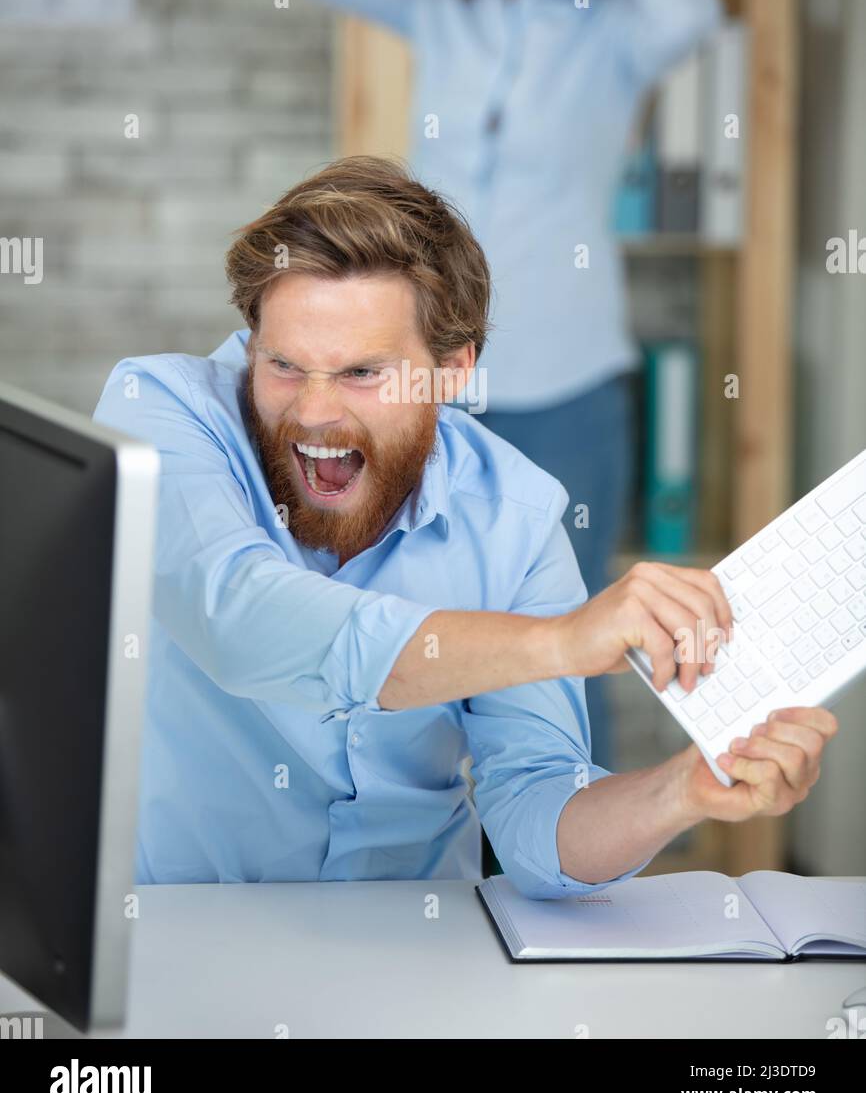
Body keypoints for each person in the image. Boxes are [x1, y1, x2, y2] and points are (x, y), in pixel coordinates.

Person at [93, 157, 836, 894]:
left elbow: (535, 815)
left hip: (415, 953)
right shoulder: (161, 412)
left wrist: (680, 791)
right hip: (176, 937)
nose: (314, 412)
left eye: (362, 373)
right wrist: (559, 642)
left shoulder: (515, 517)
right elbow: (238, 617)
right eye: (284, 365)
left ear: (451, 373)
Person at [252, 0, 724, 770]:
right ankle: (405, 873)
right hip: (427, 376)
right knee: (398, 619)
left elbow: (695, 8)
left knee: (560, 643)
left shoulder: (618, 21)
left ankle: (544, 882)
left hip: (567, 382)